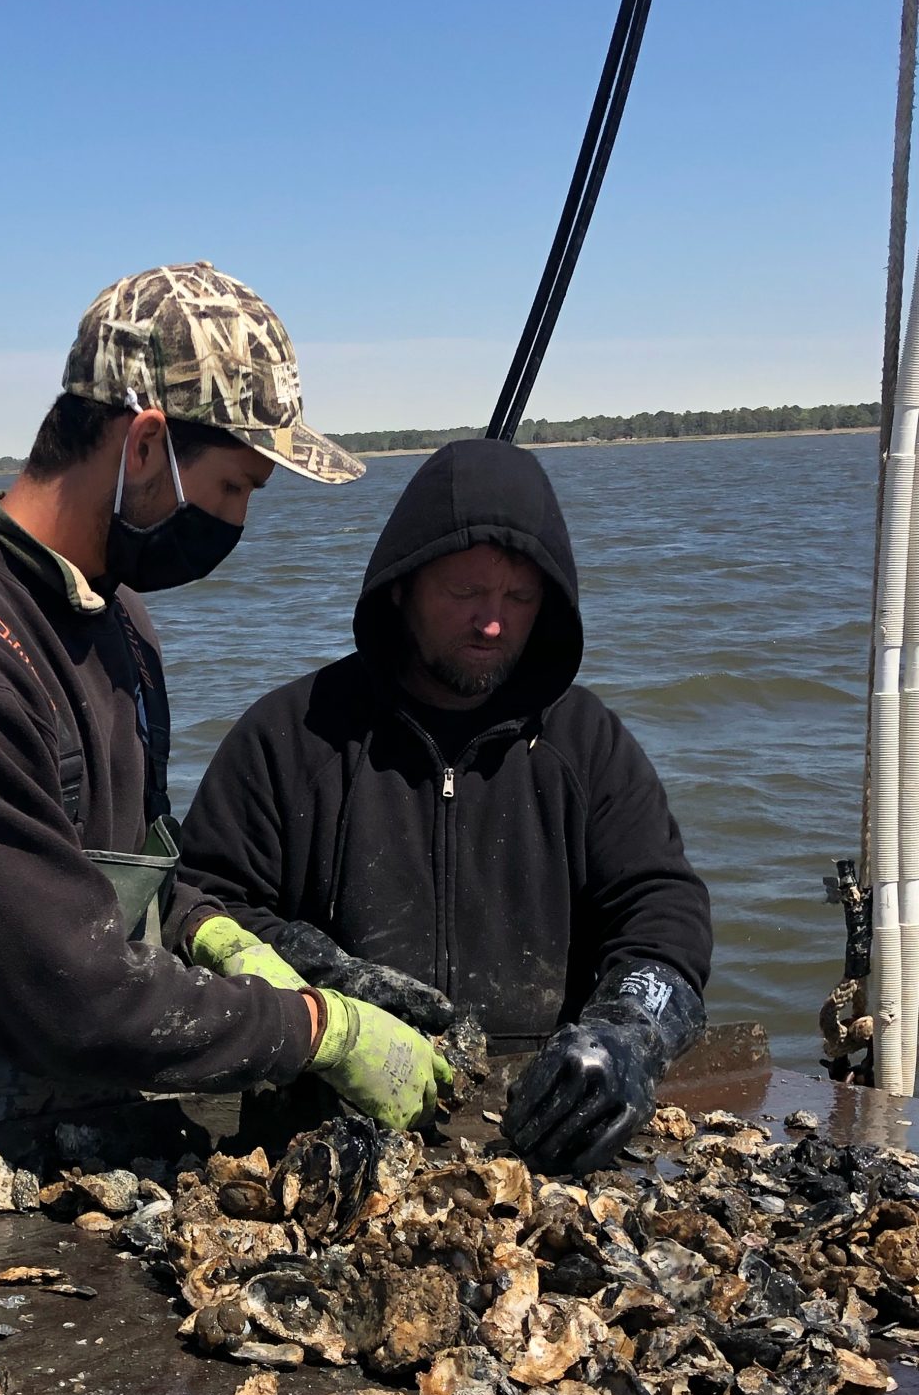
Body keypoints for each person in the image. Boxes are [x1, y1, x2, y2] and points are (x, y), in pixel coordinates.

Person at [0, 262, 453, 1142]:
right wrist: (313, 1030)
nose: (237, 523)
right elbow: (72, 997)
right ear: (144, 445)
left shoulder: (119, 623)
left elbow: (126, 879)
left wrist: (215, 933)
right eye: (234, 487)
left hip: (79, 1122)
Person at [179, 436, 712, 1173]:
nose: (492, 624)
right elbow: (200, 908)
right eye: (465, 594)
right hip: (323, 1141)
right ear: (401, 587)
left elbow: (665, 919)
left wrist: (630, 1035)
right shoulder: (292, 737)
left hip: (536, 1139)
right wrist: (336, 982)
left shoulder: (585, 743)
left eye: (519, 599)